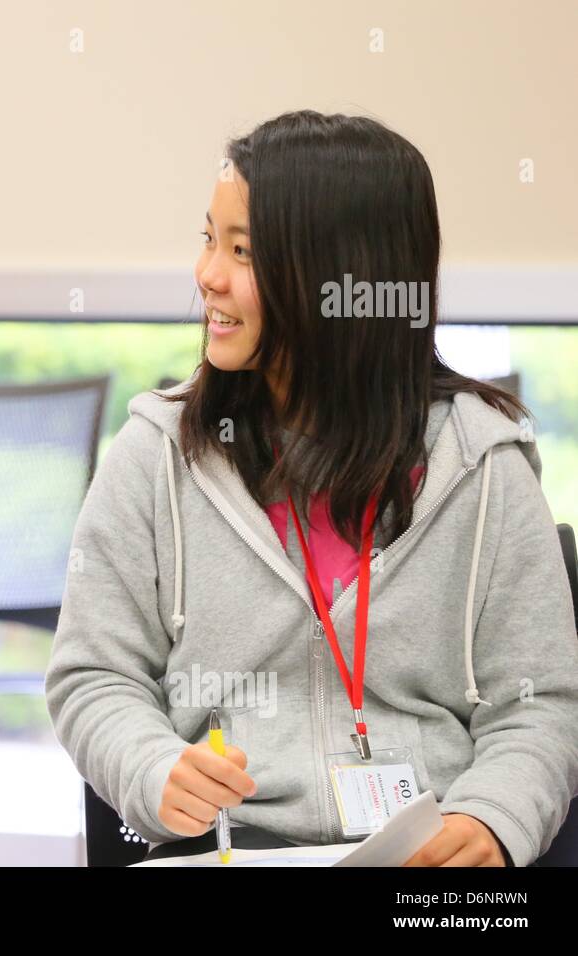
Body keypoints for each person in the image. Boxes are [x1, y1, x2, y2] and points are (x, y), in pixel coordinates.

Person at [46, 110, 578, 867]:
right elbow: (93, 675)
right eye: (208, 240)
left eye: (242, 251)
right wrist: (151, 765)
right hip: (230, 848)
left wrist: (492, 819)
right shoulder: (155, 456)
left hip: (419, 859)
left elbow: (542, 706)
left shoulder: (483, 465)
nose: (207, 276)